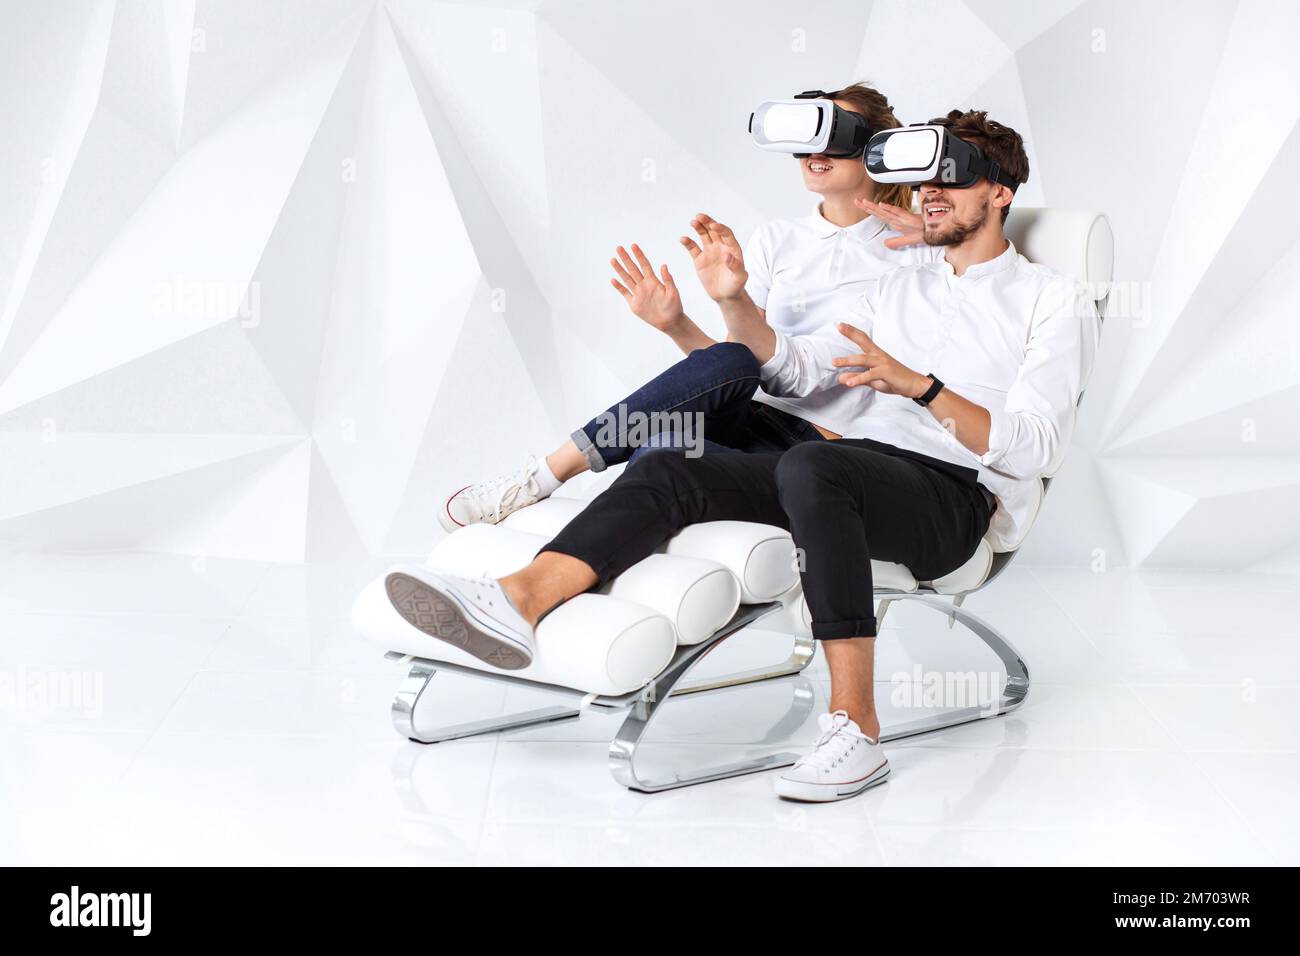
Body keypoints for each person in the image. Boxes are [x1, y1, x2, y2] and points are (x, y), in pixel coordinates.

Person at [386, 109, 1100, 803]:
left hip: (953, 498)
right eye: (923, 182)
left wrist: (924, 388)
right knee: (674, 465)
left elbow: (1036, 445)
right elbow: (795, 373)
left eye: (952, 178)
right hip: (851, 464)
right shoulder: (897, 284)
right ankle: (519, 598)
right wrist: (732, 305)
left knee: (815, 466)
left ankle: (856, 729)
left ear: (1000, 192)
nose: (931, 195)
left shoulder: (1049, 299)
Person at [437, 83, 937, 531]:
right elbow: (738, 368)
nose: (814, 152)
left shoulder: (916, 255)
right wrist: (679, 325)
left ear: (875, 150)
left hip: (816, 448)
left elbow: (796, 376)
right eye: (807, 137)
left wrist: (934, 234)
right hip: (752, 418)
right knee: (660, 449)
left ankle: (543, 477)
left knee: (672, 442)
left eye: (835, 134)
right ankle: (556, 520)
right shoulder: (778, 240)